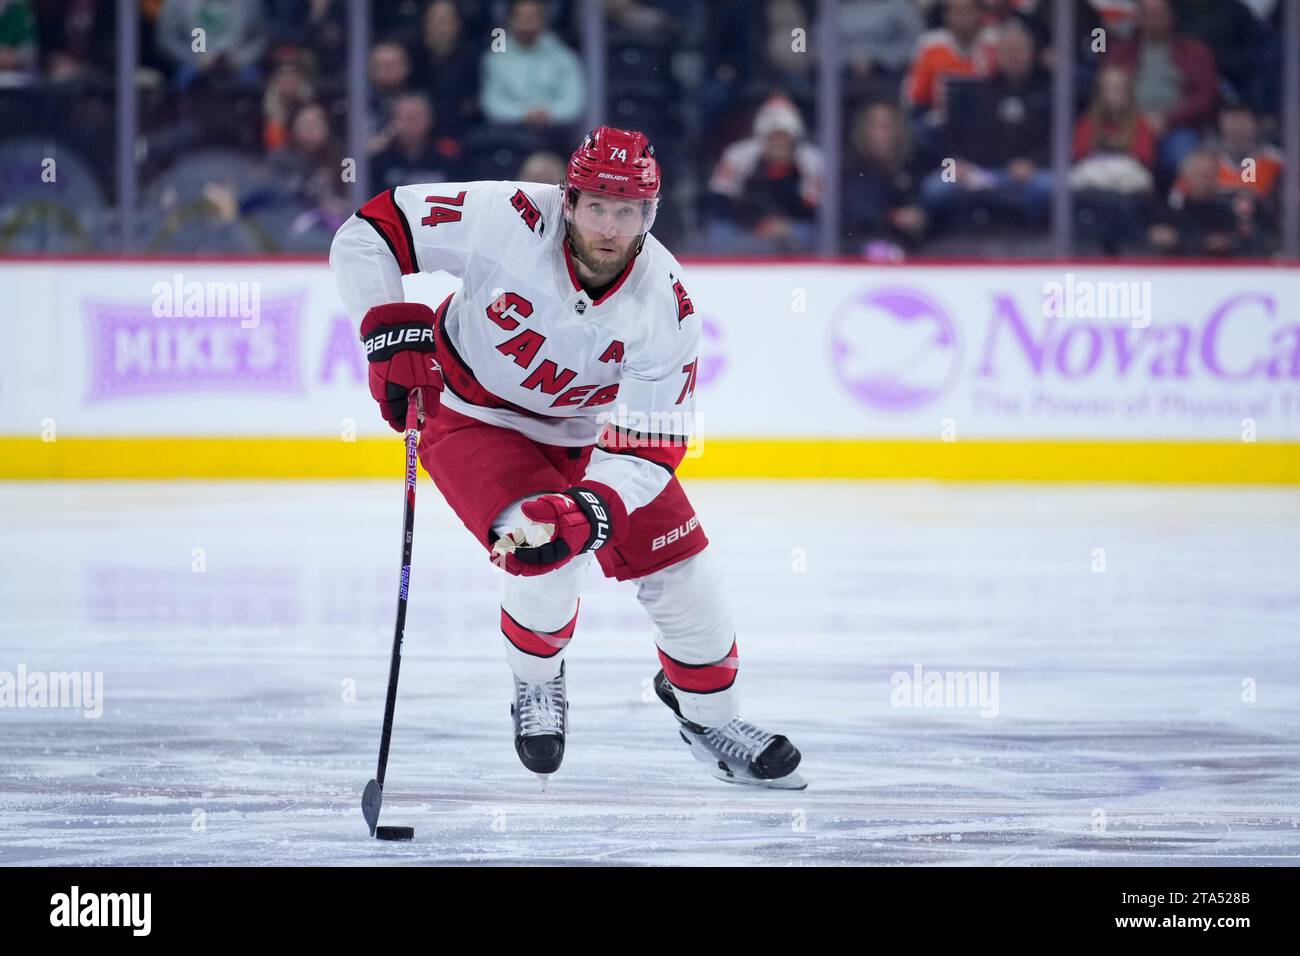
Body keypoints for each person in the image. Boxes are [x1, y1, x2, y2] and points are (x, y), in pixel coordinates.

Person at [330, 126, 805, 789]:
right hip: (473, 416)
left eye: (629, 211)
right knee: (540, 554)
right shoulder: (506, 215)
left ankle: (710, 719)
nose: (611, 228)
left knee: (688, 575)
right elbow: (369, 232)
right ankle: (536, 680)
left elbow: (649, 445)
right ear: (569, 200)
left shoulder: (666, 304)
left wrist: (593, 507)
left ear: (650, 214)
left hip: (589, 435)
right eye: (597, 207)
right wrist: (389, 330)